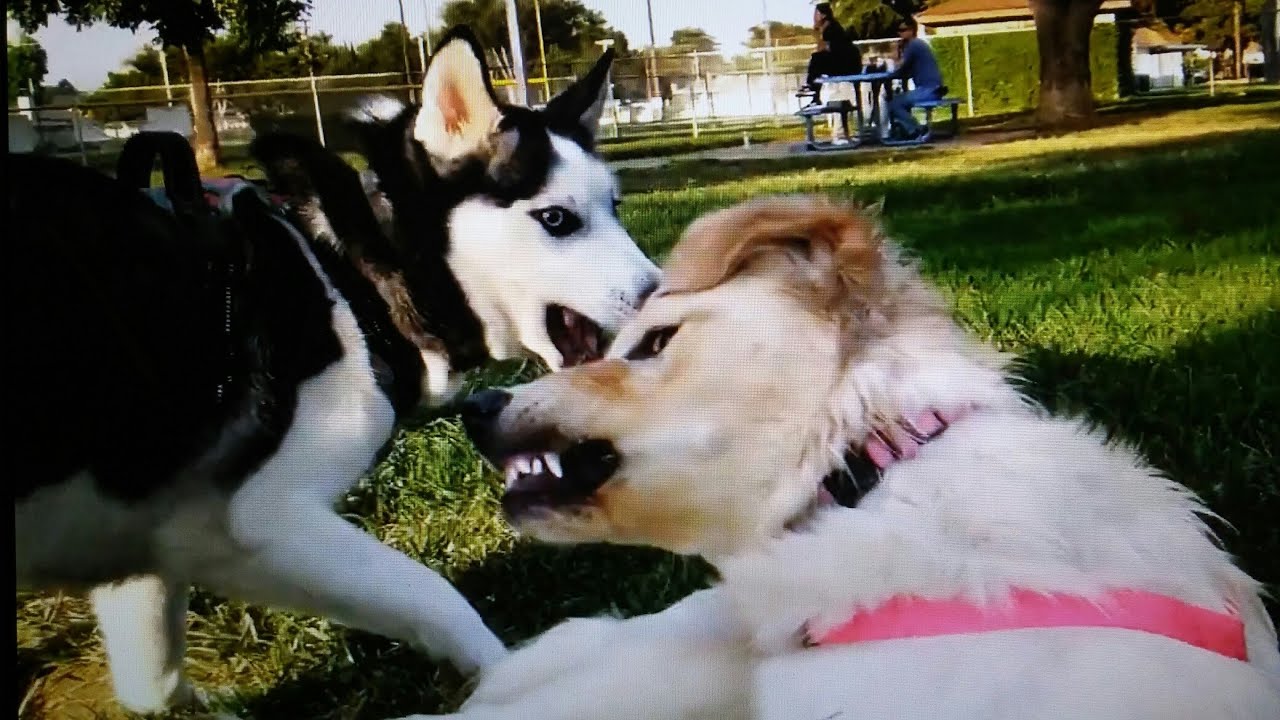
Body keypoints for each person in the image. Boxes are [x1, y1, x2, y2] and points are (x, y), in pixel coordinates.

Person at [886, 17, 945, 139]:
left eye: (903, 30)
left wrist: (894, 53)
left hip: (929, 90)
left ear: (912, 30)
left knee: (895, 103)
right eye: (898, 31)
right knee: (900, 101)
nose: (900, 33)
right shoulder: (917, 44)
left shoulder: (913, 45)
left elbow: (899, 68)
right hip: (933, 88)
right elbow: (904, 70)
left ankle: (916, 130)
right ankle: (909, 131)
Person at [800, 3, 863, 107]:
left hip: (848, 66)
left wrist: (817, 35)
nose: (814, 17)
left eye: (816, 14)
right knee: (817, 61)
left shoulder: (831, 28)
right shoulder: (831, 27)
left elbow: (821, 49)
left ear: (823, 15)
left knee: (816, 59)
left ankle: (811, 88)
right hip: (845, 63)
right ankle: (815, 94)